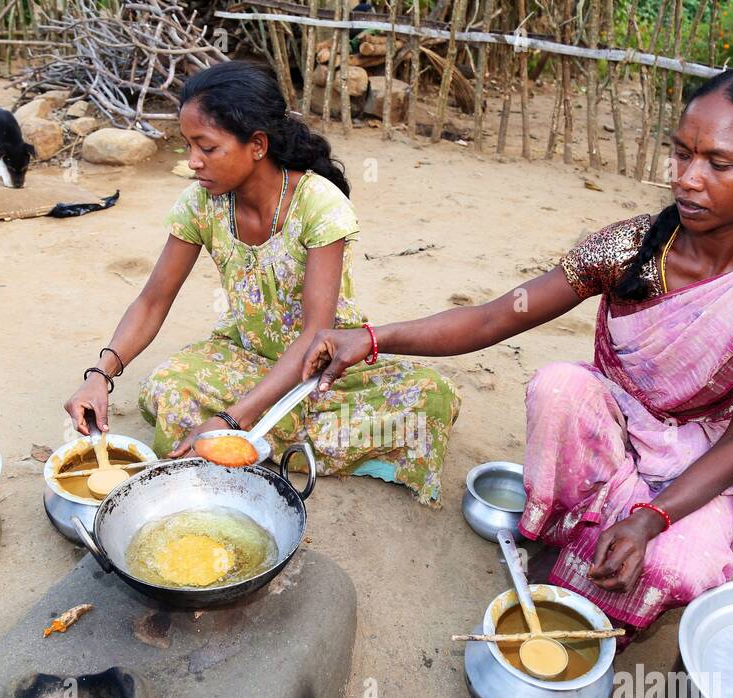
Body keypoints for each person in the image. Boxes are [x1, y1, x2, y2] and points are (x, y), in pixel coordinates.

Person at [300, 67, 733, 643]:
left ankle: (622, 547)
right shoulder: (630, 247)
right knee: (560, 387)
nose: (688, 180)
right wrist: (372, 339)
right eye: (680, 155)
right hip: (611, 429)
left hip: (696, 457)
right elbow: (496, 316)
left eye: (718, 164)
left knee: (678, 566)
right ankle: (576, 531)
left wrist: (651, 518)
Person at [63, 60, 460, 505]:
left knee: (431, 397)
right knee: (168, 389)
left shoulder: (317, 203)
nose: (192, 162)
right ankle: (274, 438)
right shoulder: (200, 204)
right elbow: (154, 300)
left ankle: (249, 438)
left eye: (206, 148)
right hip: (244, 355)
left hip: (326, 370)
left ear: (256, 145)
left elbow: (315, 336)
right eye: (188, 145)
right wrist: (101, 375)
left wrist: (230, 420)